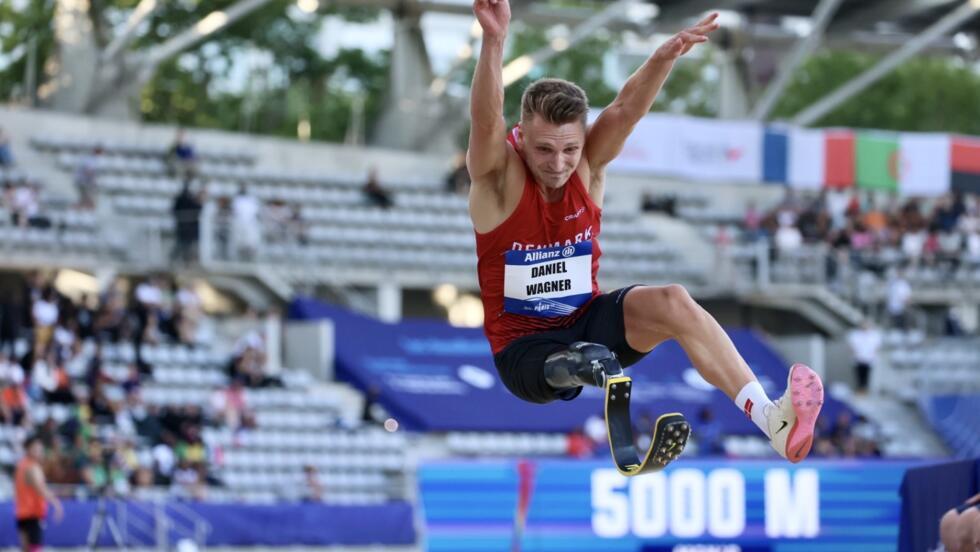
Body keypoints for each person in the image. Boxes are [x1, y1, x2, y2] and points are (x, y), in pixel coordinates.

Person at [467, 0, 823, 464]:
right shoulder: (498, 179)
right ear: (522, 136)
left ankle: (772, 421)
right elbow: (484, 120)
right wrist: (494, 41)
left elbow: (625, 110)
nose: (558, 165)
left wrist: (663, 58)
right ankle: (588, 370)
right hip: (526, 352)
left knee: (674, 300)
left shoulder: (588, 164)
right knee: (580, 359)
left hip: (587, 318)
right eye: (544, 151)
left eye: (569, 149)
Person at [15, 435, 64, 552]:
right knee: (35, 548)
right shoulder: (32, 467)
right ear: (28, 449)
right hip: (33, 513)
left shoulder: (21, 465)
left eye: (40, 448)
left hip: (22, 513)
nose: (40, 451)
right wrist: (56, 503)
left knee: (26, 548)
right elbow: (40, 489)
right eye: (36, 448)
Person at [846, 318, 881, 394]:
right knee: (859, 375)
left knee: (867, 375)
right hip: (858, 358)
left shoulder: (874, 335)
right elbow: (852, 346)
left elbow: (876, 347)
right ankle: (859, 389)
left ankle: (865, 389)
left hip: (869, 359)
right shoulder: (855, 334)